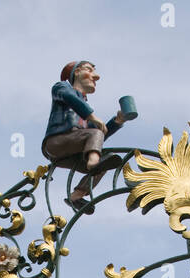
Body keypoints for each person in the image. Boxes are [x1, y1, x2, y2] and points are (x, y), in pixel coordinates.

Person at [42, 61, 128, 213]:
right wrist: (91, 116)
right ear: (76, 73)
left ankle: (76, 196)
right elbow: (70, 98)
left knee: (105, 162)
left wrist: (117, 121)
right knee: (96, 143)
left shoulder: (84, 111)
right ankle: (93, 161)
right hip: (57, 142)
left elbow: (97, 135)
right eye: (89, 70)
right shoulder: (62, 88)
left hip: (72, 150)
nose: (96, 76)